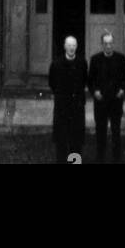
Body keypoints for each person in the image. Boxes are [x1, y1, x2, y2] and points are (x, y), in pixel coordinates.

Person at [87, 31, 125, 163]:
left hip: (116, 101)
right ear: (102, 44)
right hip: (100, 101)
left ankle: (116, 157)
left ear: (113, 44)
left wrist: (123, 90)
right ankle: (100, 157)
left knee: (116, 130)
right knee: (100, 130)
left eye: (110, 43)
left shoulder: (121, 58)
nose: (108, 46)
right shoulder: (95, 59)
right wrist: (94, 92)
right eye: (105, 43)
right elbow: (90, 80)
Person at [48, 35, 87, 163]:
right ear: (65, 46)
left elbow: (84, 81)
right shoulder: (56, 64)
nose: (71, 48)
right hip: (62, 107)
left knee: (76, 141)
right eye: (69, 45)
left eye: (74, 45)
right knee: (61, 140)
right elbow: (52, 82)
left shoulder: (82, 63)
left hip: (77, 107)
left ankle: (75, 162)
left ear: (76, 47)